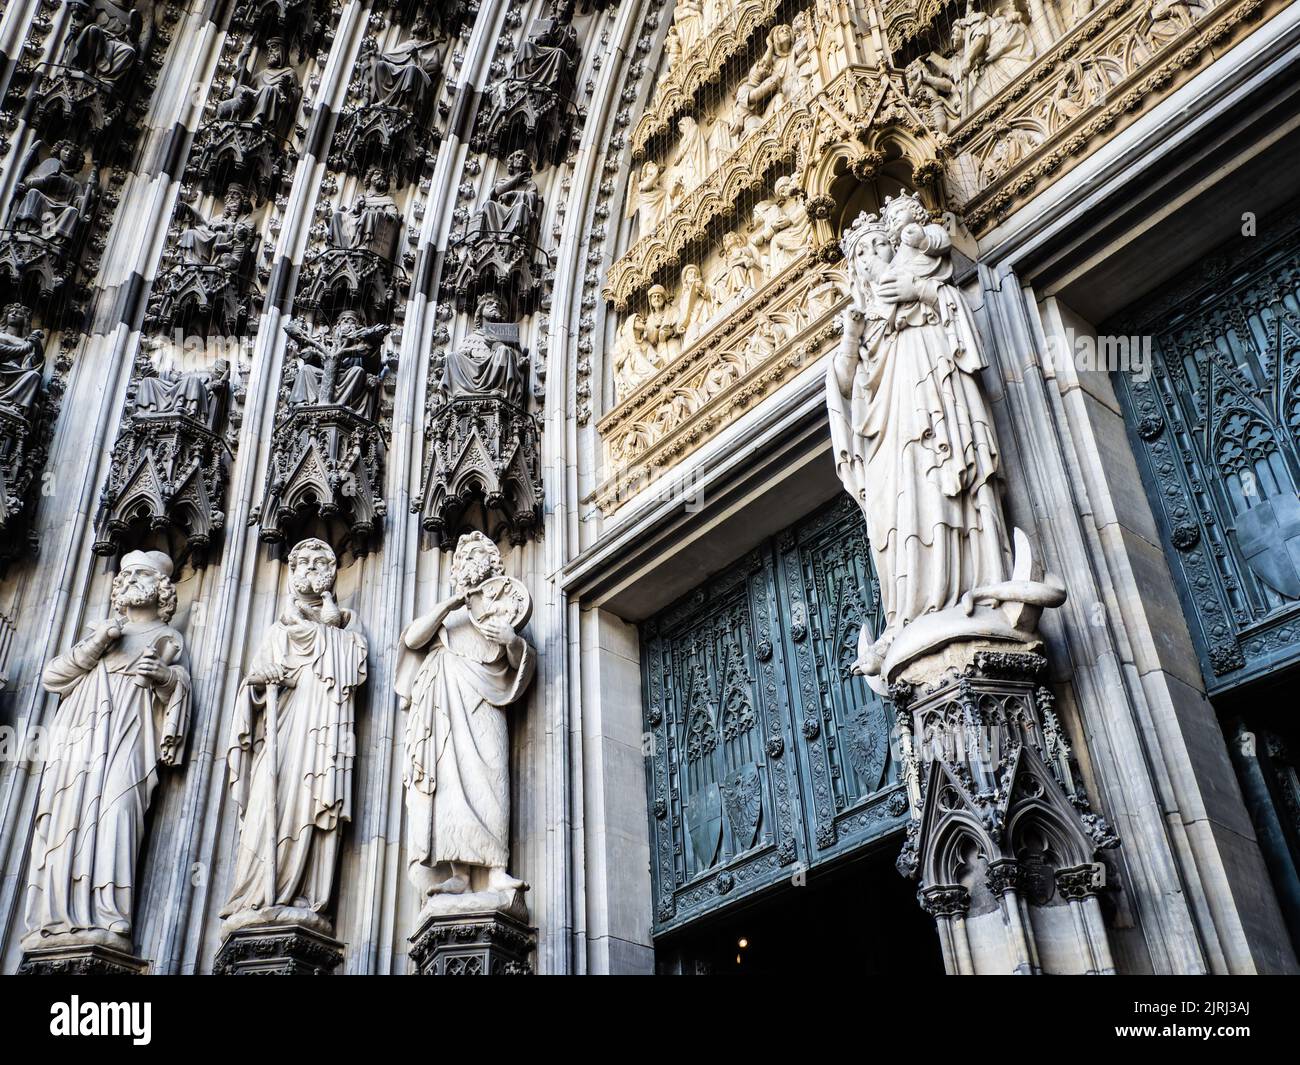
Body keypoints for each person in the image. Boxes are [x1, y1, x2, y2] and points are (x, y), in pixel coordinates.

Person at [24, 552, 190, 948]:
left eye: (141, 574)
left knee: (118, 812)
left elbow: (176, 686)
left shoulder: (166, 638)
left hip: (130, 734)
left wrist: (165, 677)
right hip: (80, 739)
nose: (131, 579)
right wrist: (97, 643)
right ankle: (59, 914)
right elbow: (53, 677)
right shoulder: (101, 630)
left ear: (162, 588)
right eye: (126, 574)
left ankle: (108, 911)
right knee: (70, 820)